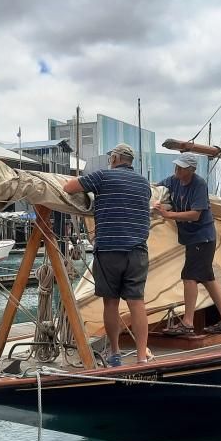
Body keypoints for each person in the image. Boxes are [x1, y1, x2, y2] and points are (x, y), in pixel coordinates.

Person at [63, 143, 152, 366]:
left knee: (110, 304)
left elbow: (69, 188)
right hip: (137, 251)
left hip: (109, 250)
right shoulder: (144, 184)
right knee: (137, 303)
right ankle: (142, 357)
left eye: (110, 156)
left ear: (115, 158)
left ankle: (115, 353)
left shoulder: (103, 177)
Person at [154, 152, 221, 336]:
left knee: (189, 276)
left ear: (190, 170)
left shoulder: (199, 184)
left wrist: (169, 215)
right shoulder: (173, 181)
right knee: (207, 279)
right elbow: (156, 188)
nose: (177, 169)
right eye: (176, 166)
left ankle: (188, 323)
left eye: (181, 167)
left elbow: (196, 214)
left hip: (202, 238)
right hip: (193, 239)